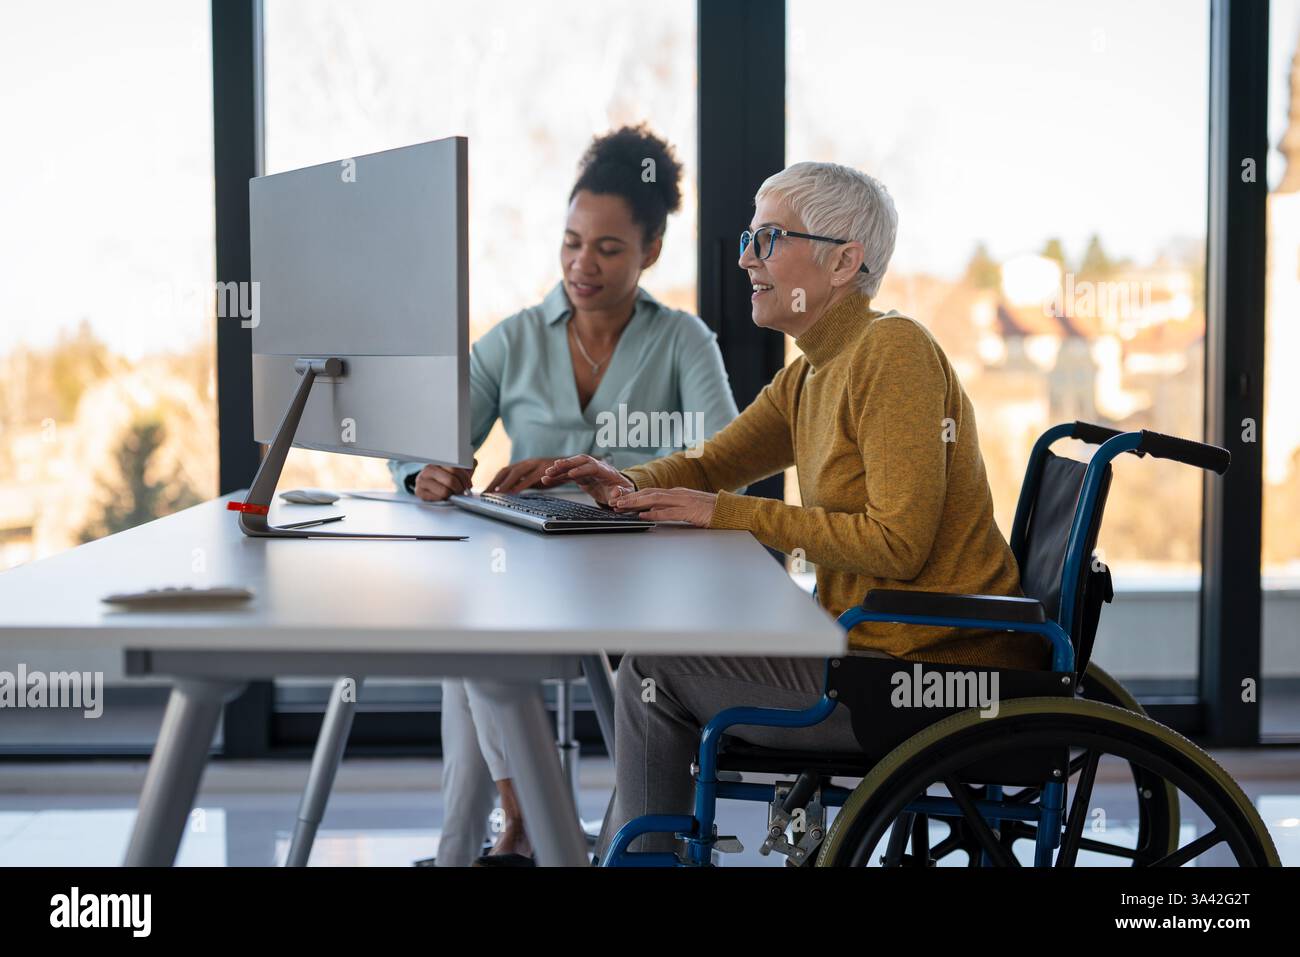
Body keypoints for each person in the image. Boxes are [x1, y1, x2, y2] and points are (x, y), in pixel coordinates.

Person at [543, 161, 1045, 858]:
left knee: (653, 669)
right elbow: (711, 466)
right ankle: (643, 852)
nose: (747, 258)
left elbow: (897, 543)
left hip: (927, 671)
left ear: (844, 261)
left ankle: (642, 858)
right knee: (658, 650)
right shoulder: (810, 370)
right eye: (750, 238)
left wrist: (717, 513)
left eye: (770, 238)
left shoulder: (892, 353)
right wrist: (614, 484)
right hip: (868, 650)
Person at [389, 125, 739, 865]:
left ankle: (507, 838)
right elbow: (426, 436)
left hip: (643, 573)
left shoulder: (684, 342)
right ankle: (520, 828)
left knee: (474, 657)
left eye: (609, 248)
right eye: (572, 241)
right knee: (471, 637)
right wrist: (424, 469)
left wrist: (604, 471)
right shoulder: (515, 339)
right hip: (527, 570)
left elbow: (725, 456)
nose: (583, 263)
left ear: (650, 251)